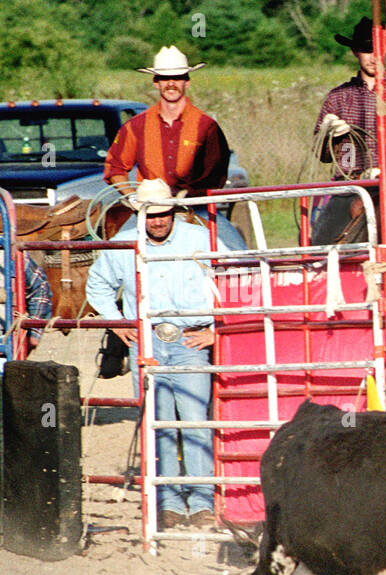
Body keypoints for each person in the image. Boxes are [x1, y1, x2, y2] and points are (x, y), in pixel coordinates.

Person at [86, 179, 221, 532]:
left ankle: (202, 502)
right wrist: (117, 324)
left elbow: (237, 277)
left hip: (190, 339)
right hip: (147, 342)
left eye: (162, 214)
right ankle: (169, 503)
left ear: (173, 211)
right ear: (138, 214)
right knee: (156, 423)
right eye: (150, 216)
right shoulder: (121, 245)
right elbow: (96, 285)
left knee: (194, 423)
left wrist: (215, 331)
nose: (157, 222)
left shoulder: (201, 240)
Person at [104, 45, 245, 250]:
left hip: (197, 209)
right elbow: (115, 167)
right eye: (164, 78)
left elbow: (217, 174)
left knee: (237, 253)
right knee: (114, 253)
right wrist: (133, 197)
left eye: (178, 77)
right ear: (156, 83)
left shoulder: (206, 126)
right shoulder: (136, 126)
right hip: (150, 210)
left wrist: (189, 194)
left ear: (186, 82)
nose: (171, 84)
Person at [311, 17, 386, 244]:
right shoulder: (338, 98)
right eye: (366, 50)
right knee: (320, 242)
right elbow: (322, 155)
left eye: (379, 49)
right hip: (349, 188)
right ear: (355, 52)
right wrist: (330, 137)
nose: (373, 56)